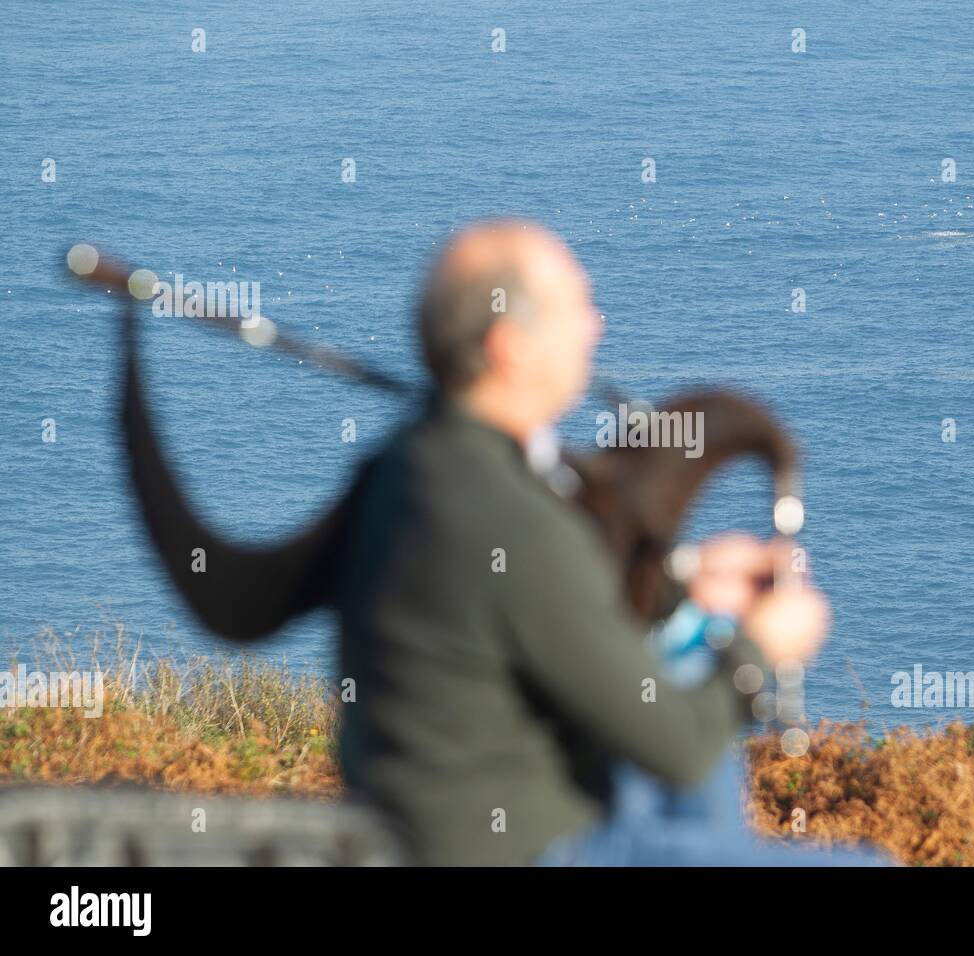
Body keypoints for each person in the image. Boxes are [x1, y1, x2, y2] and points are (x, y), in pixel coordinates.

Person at [333, 219, 838, 865]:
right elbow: (680, 745)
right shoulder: (515, 514)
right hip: (529, 848)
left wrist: (685, 584)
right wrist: (759, 648)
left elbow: (536, 599)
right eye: (576, 307)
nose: (595, 326)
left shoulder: (408, 467)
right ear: (510, 346)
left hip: (448, 825)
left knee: (680, 655)